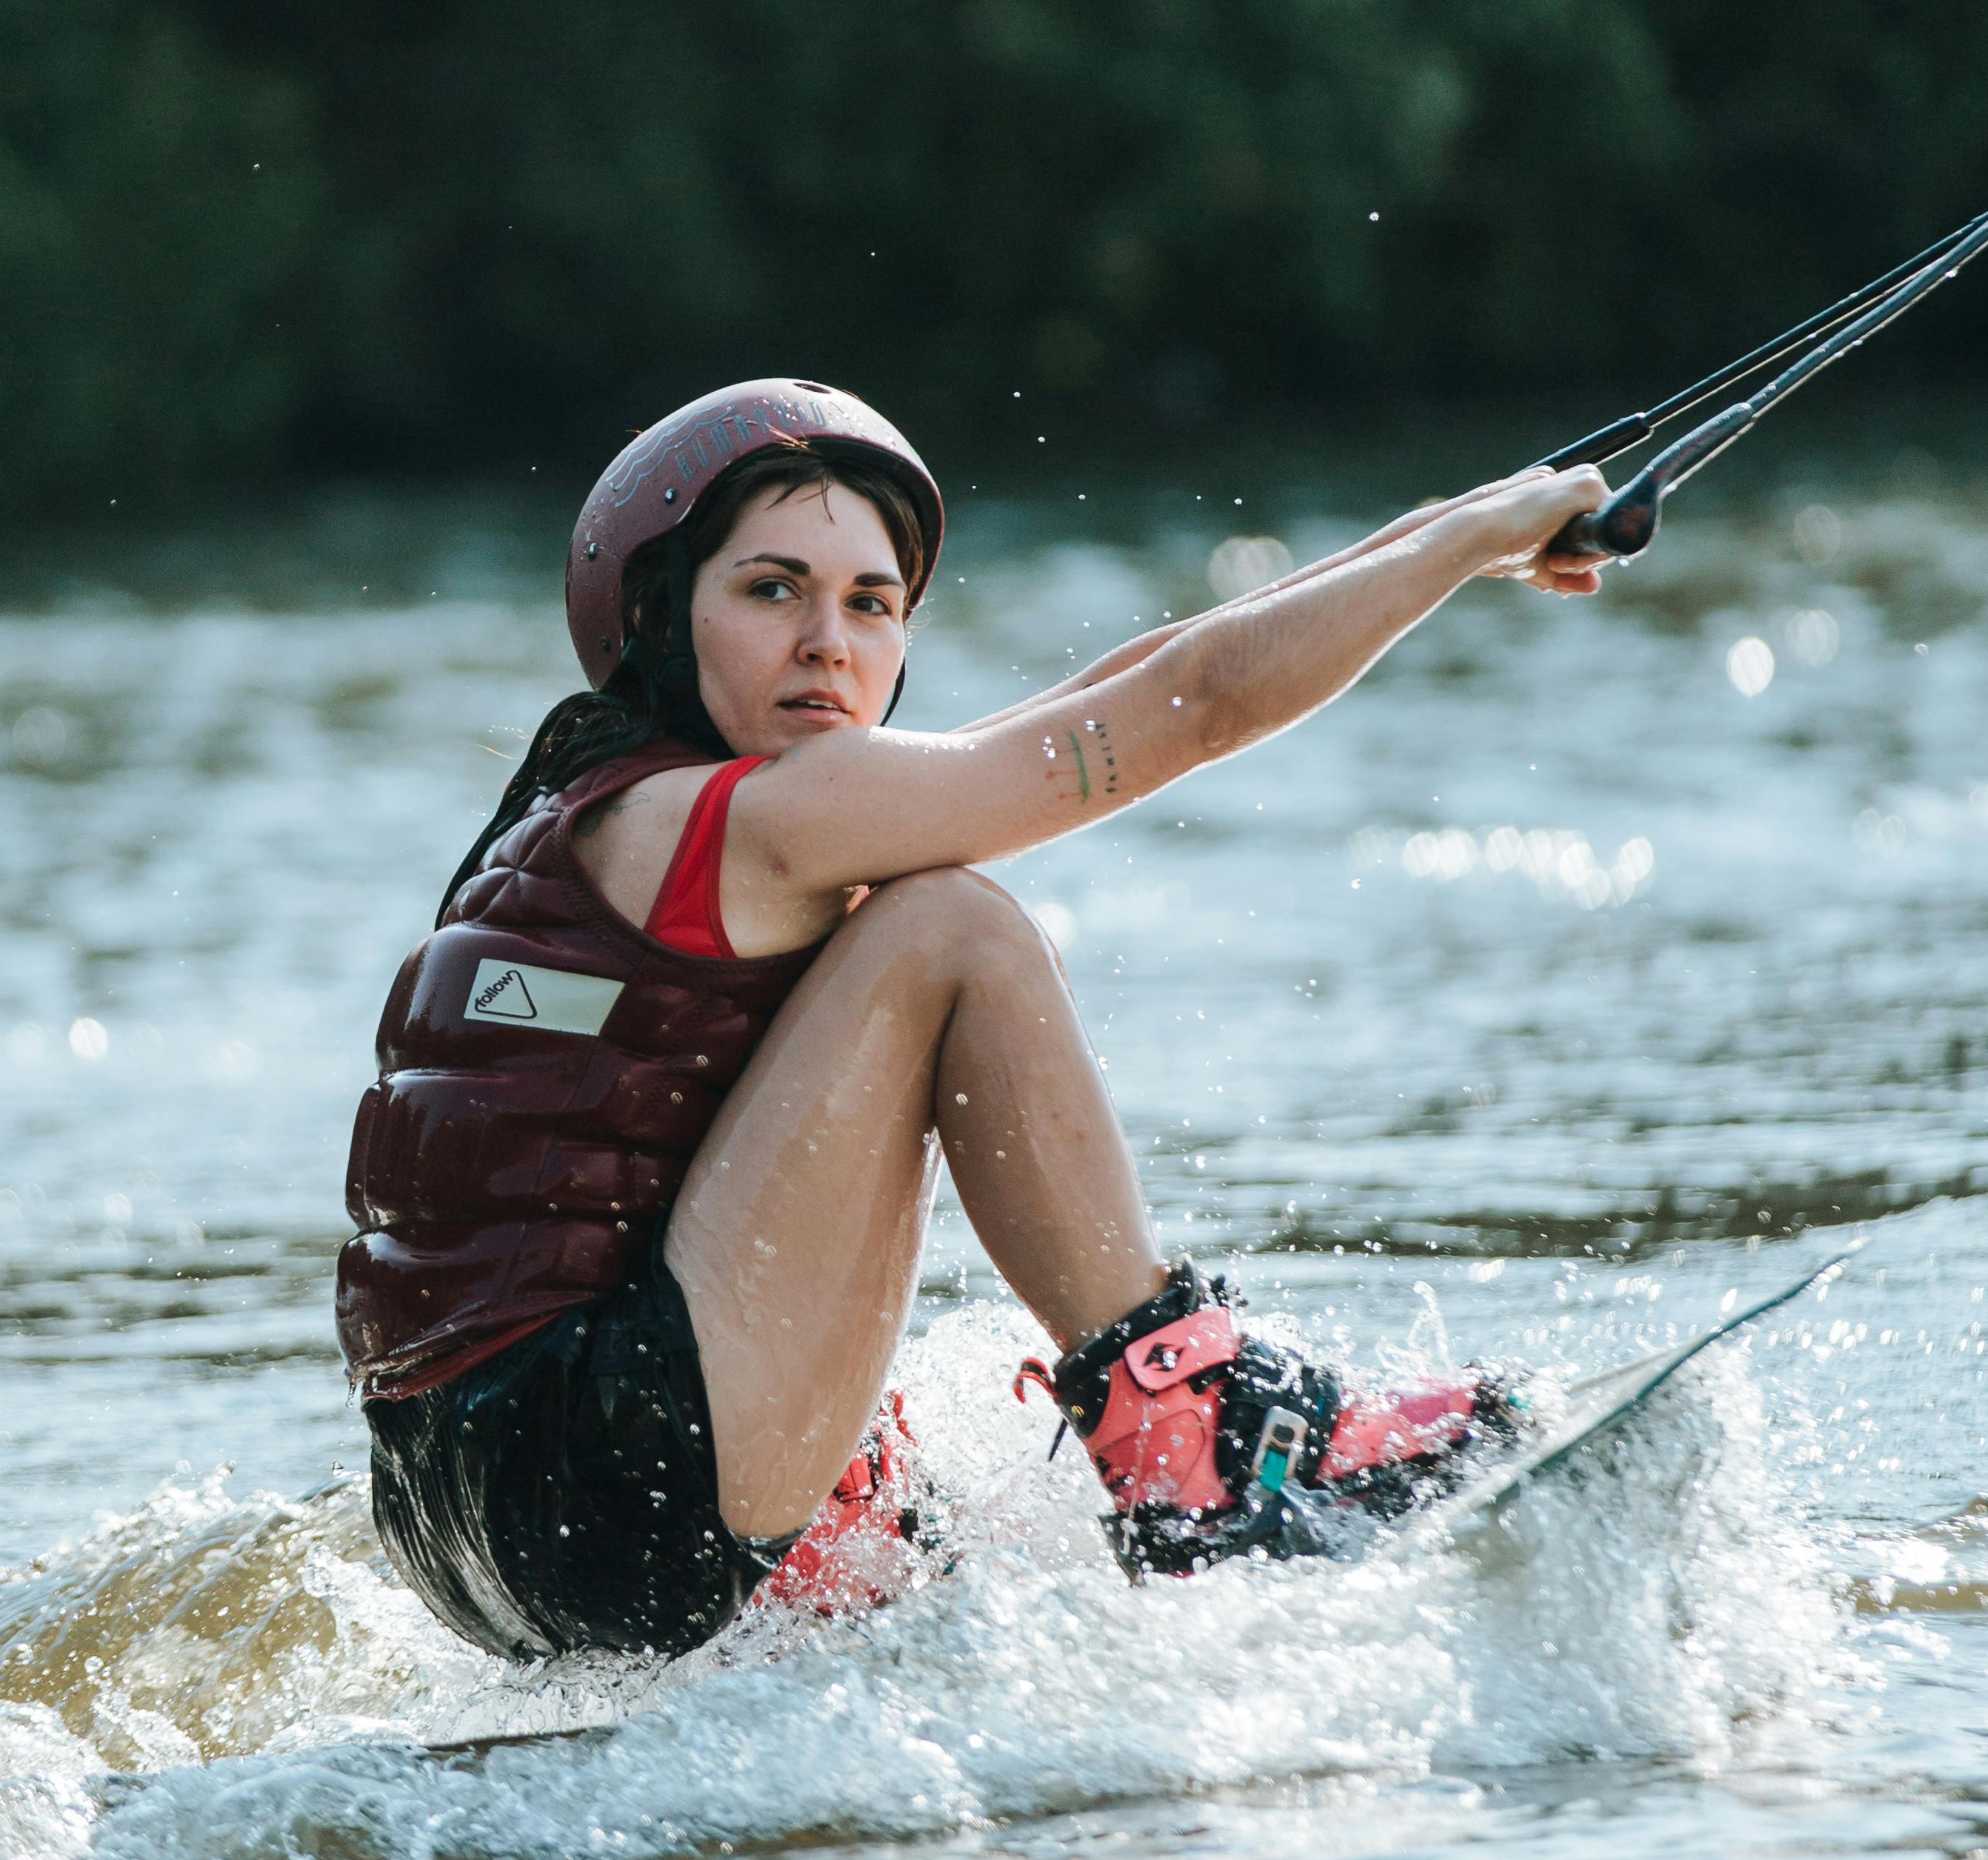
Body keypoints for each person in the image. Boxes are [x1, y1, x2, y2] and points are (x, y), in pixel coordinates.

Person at [336, 378, 1610, 1661]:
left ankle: (835, 1534)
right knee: (951, 929)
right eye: (772, 590)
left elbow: (1119, 687)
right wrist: (1469, 548)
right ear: (664, 617)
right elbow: (1197, 705)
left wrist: (1449, 525)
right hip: (612, 1485)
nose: (829, 643)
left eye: (871, 604)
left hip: (483, 1526)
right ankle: (1199, 1441)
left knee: (920, 911)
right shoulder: (754, 821)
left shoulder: (606, 811)